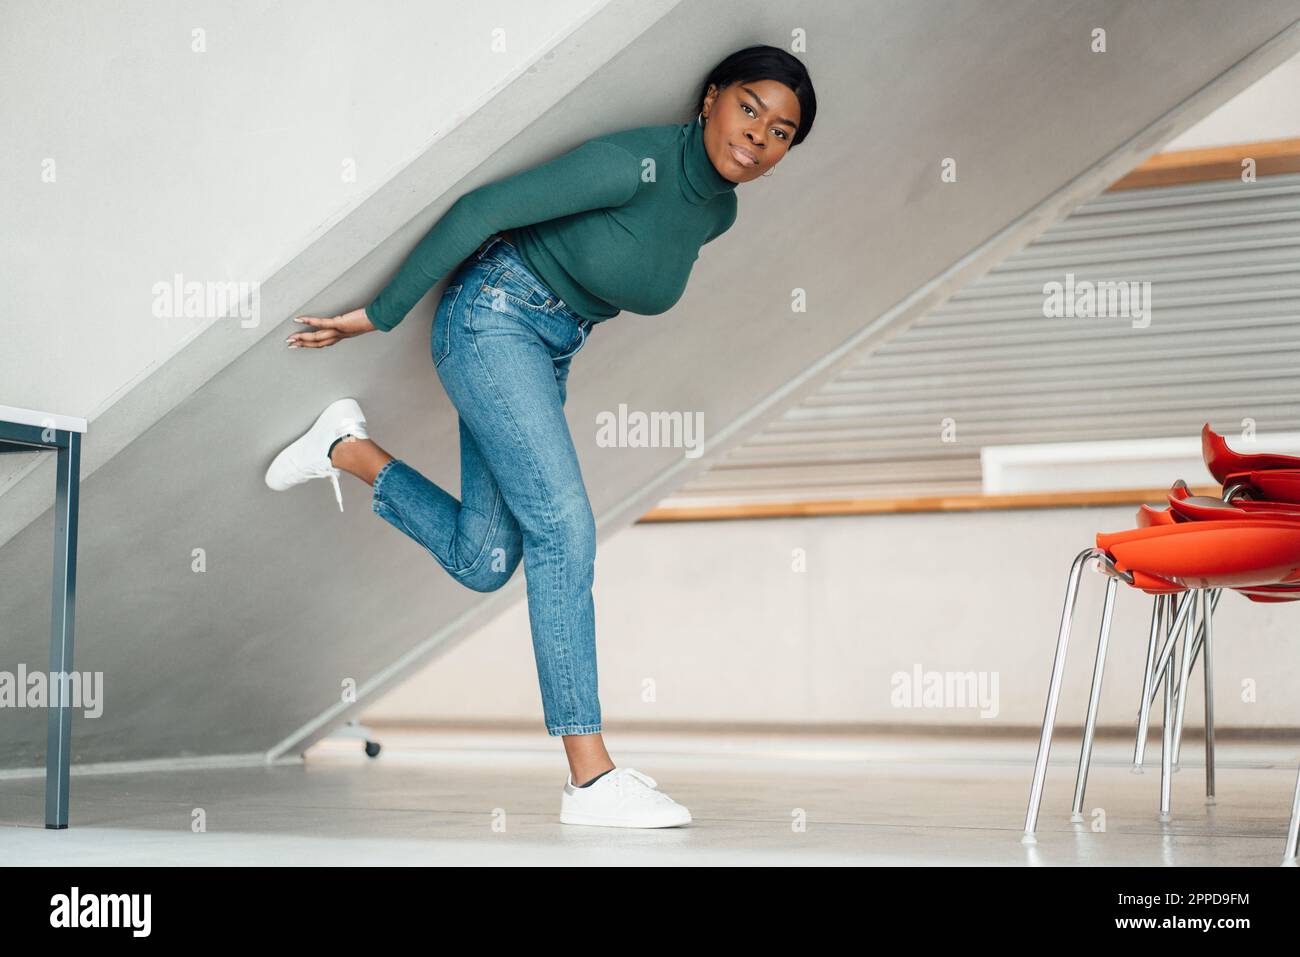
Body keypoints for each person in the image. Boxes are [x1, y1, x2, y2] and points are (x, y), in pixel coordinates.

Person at [266, 44, 816, 827]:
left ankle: (342, 447)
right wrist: (377, 313)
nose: (759, 134)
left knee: (486, 559)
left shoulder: (720, 212)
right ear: (710, 99)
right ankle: (590, 777)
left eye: (781, 131)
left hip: (549, 349)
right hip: (492, 316)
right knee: (564, 528)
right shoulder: (633, 163)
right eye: (750, 108)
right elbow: (481, 210)